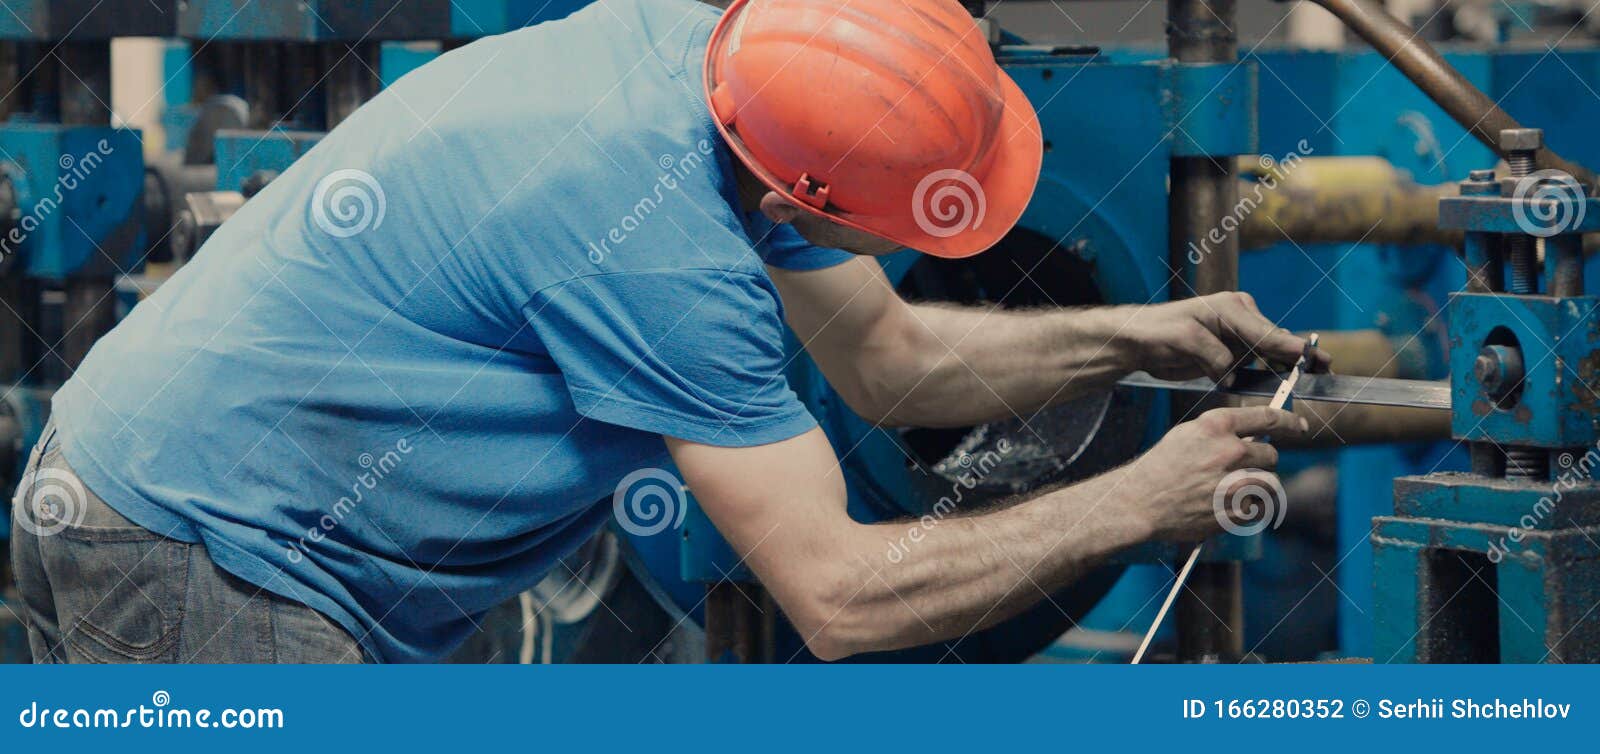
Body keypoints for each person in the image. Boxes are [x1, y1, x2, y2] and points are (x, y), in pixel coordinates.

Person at [8, 0, 1319, 663]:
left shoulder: (733, 70)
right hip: (207, 553)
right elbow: (839, 597)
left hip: (144, 478)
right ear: (807, 198)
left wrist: (1133, 337)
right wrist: (1138, 502)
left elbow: (890, 362)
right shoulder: (661, 248)